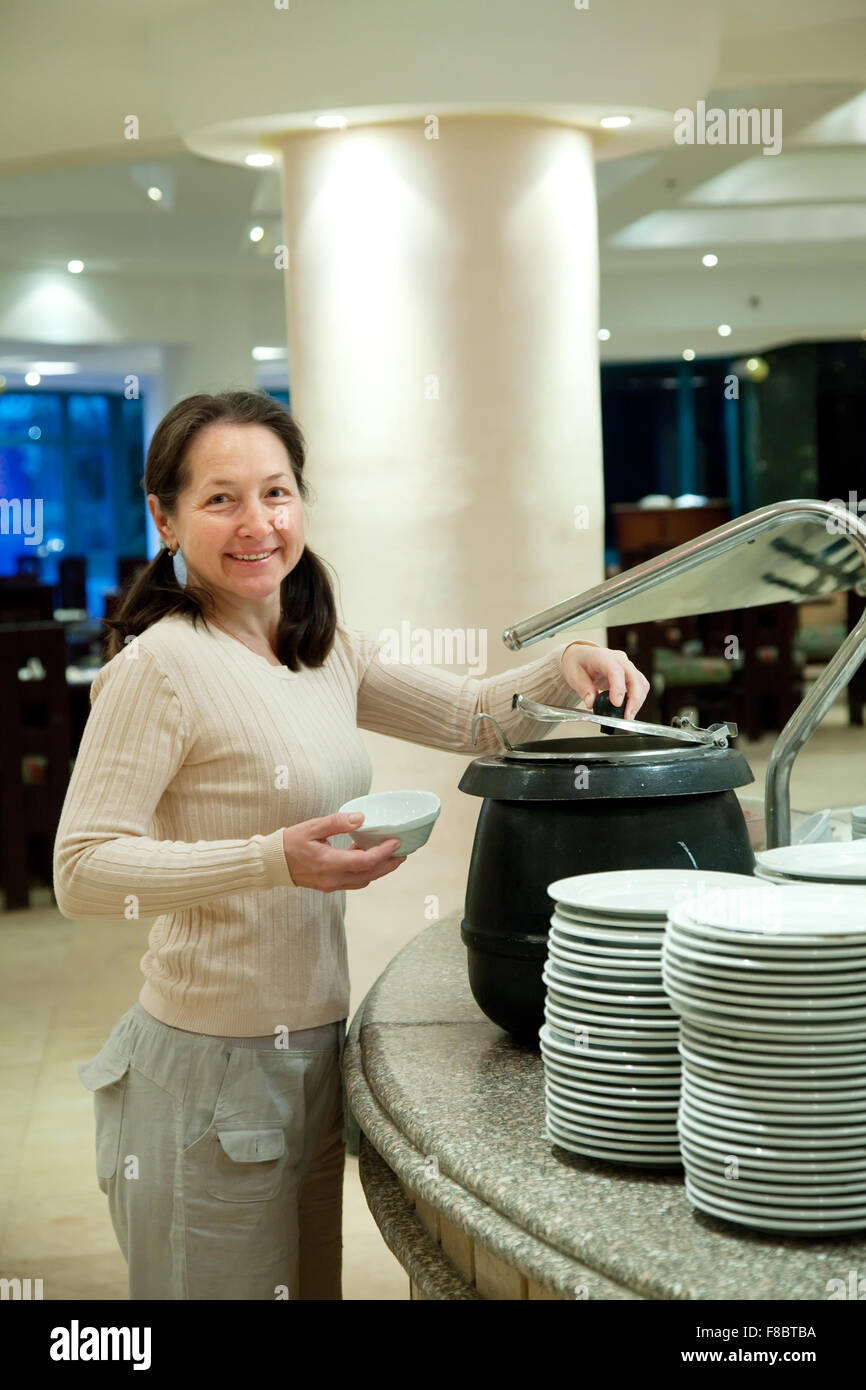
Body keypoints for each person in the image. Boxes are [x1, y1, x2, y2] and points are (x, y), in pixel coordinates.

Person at [53, 389, 650, 1301]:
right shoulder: (158, 668)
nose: (258, 523)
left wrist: (566, 666)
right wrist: (271, 858)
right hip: (209, 1072)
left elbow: (471, 716)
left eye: (277, 492)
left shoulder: (319, 648)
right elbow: (83, 869)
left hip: (309, 1051)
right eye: (221, 499)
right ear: (163, 519)